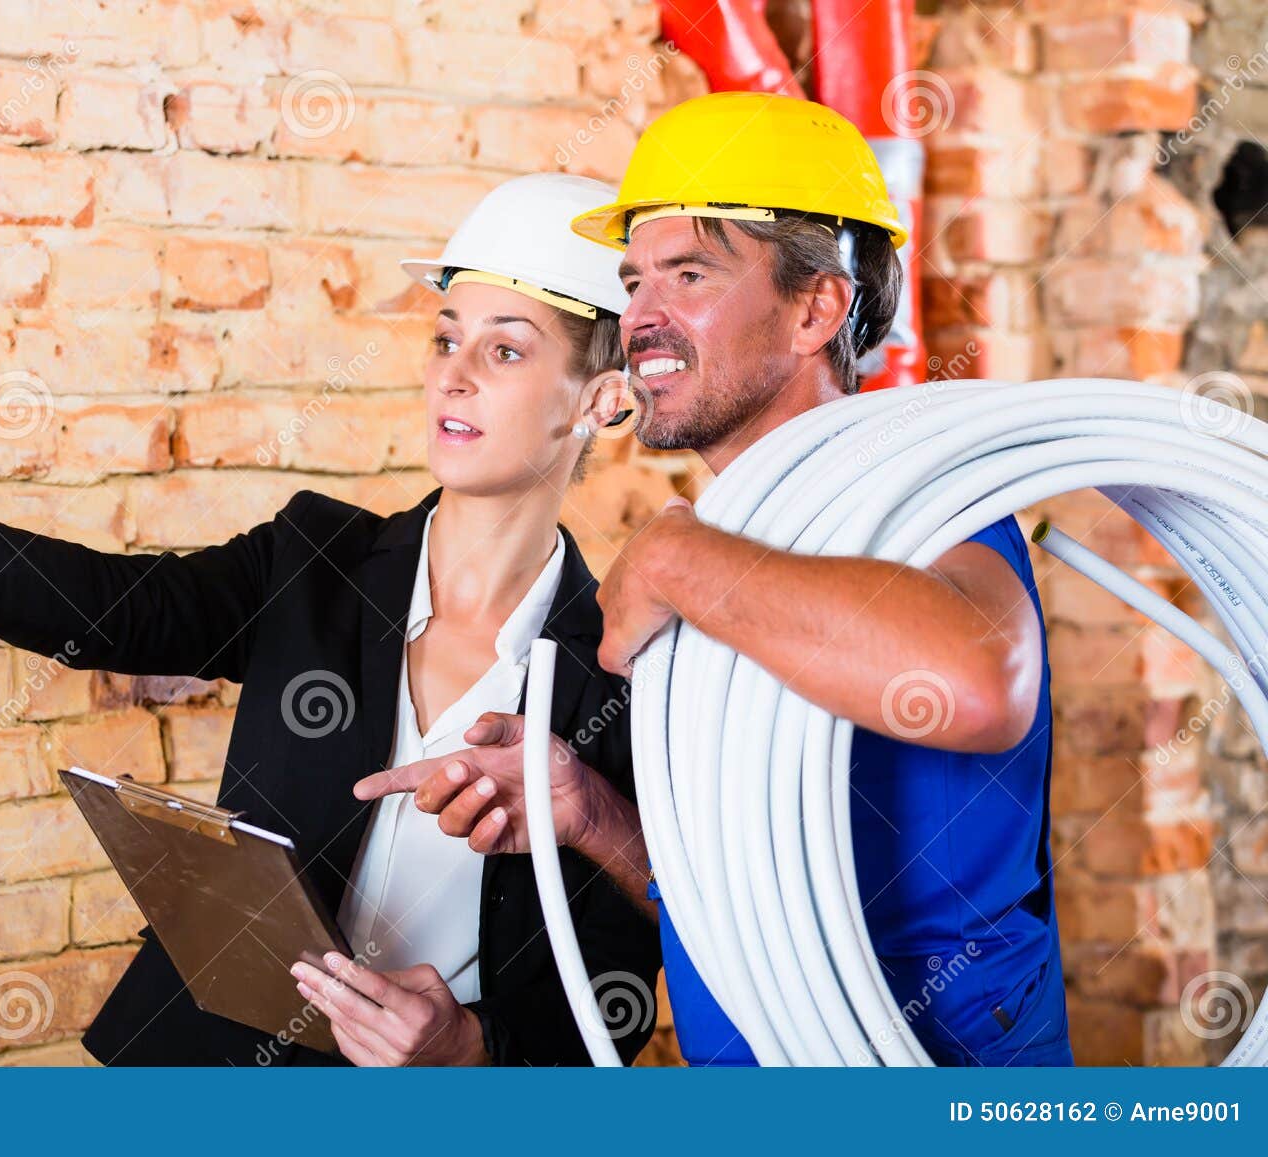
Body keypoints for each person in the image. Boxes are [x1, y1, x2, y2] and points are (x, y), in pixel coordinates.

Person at [0, 173, 661, 1067]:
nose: (453, 377)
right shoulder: (315, 560)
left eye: (505, 351)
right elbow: (121, 609)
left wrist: (467, 1049)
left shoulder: (624, 677)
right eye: (445, 338)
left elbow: (610, 996)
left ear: (603, 400)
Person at [361, 92, 1070, 1067]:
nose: (640, 317)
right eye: (633, 281)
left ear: (816, 308)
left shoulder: (916, 499)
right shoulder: (721, 549)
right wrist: (587, 811)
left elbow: (981, 684)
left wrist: (678, 559)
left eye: (688, 274)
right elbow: (744, 903)